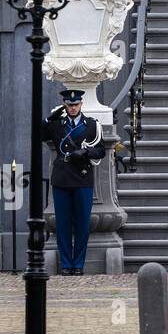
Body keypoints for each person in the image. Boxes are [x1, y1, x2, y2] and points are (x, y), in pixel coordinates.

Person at [43, 88, 106, 275]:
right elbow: (38, 135)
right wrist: (48, 120)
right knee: (62, 225)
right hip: (62, 178)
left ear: (81, 104)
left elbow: (101, 150)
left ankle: (78, 264)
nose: (72, 108)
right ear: (65, 105)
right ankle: (66, 264)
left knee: (81, 224)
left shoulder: (91, 125)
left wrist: (86, 152)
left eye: (75, 104)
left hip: (82, 177)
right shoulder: (57, 124)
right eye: (69, 105)